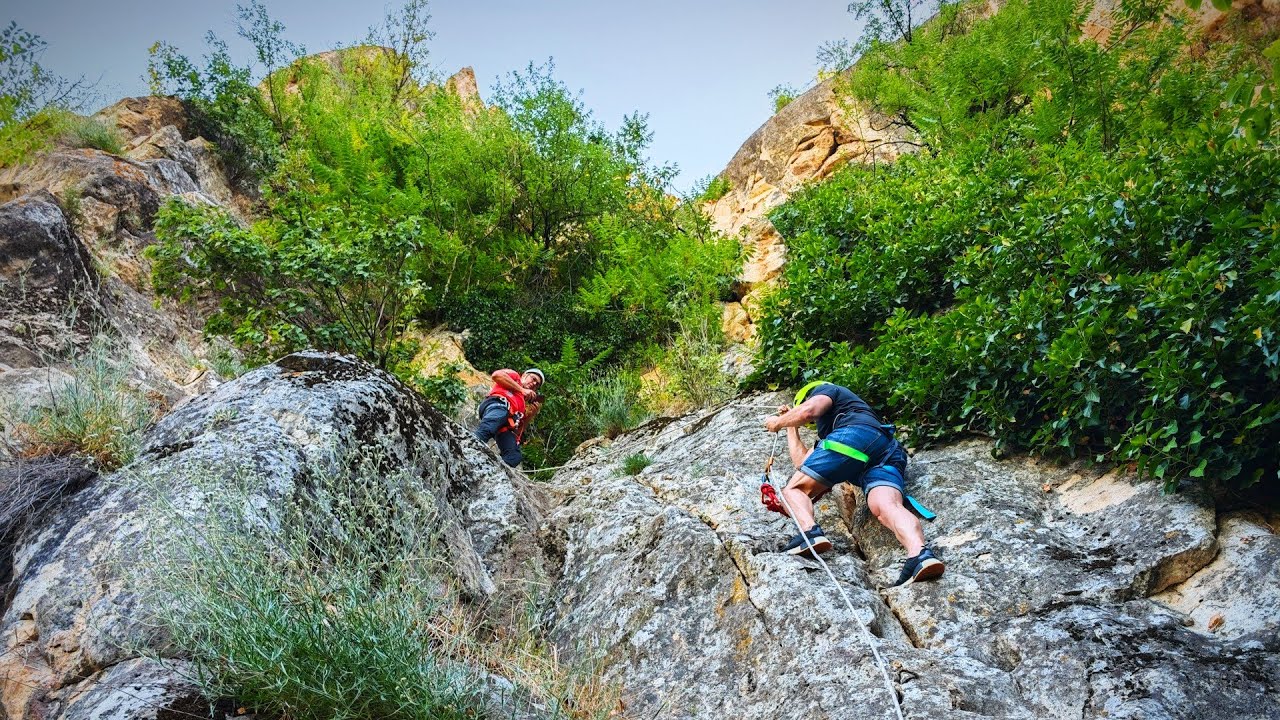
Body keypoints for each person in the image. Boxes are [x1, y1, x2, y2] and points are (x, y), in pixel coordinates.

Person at [763, 380, 944, 585]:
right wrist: (789, 426)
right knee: (885, 507)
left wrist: (778, 422)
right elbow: (803, 463)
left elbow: (809, 411)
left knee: (794, 489)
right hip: (886, 451)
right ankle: (920, 555)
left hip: (856, 437)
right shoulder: (837, 430)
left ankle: (809, 532)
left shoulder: (827, 390)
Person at [474, 367, 545, 468]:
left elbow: (517, 431)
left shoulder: (522, 404)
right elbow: (497, 375)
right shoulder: (515, 377)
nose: (534, 384)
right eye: (533, 379)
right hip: (496, 405)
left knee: (514, 456)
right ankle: (471, 443)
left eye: (537, 384)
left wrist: (530, 415)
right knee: (492, 424)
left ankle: (493, 470)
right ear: (524, 375)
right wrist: (521, 389)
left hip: (505, 423)